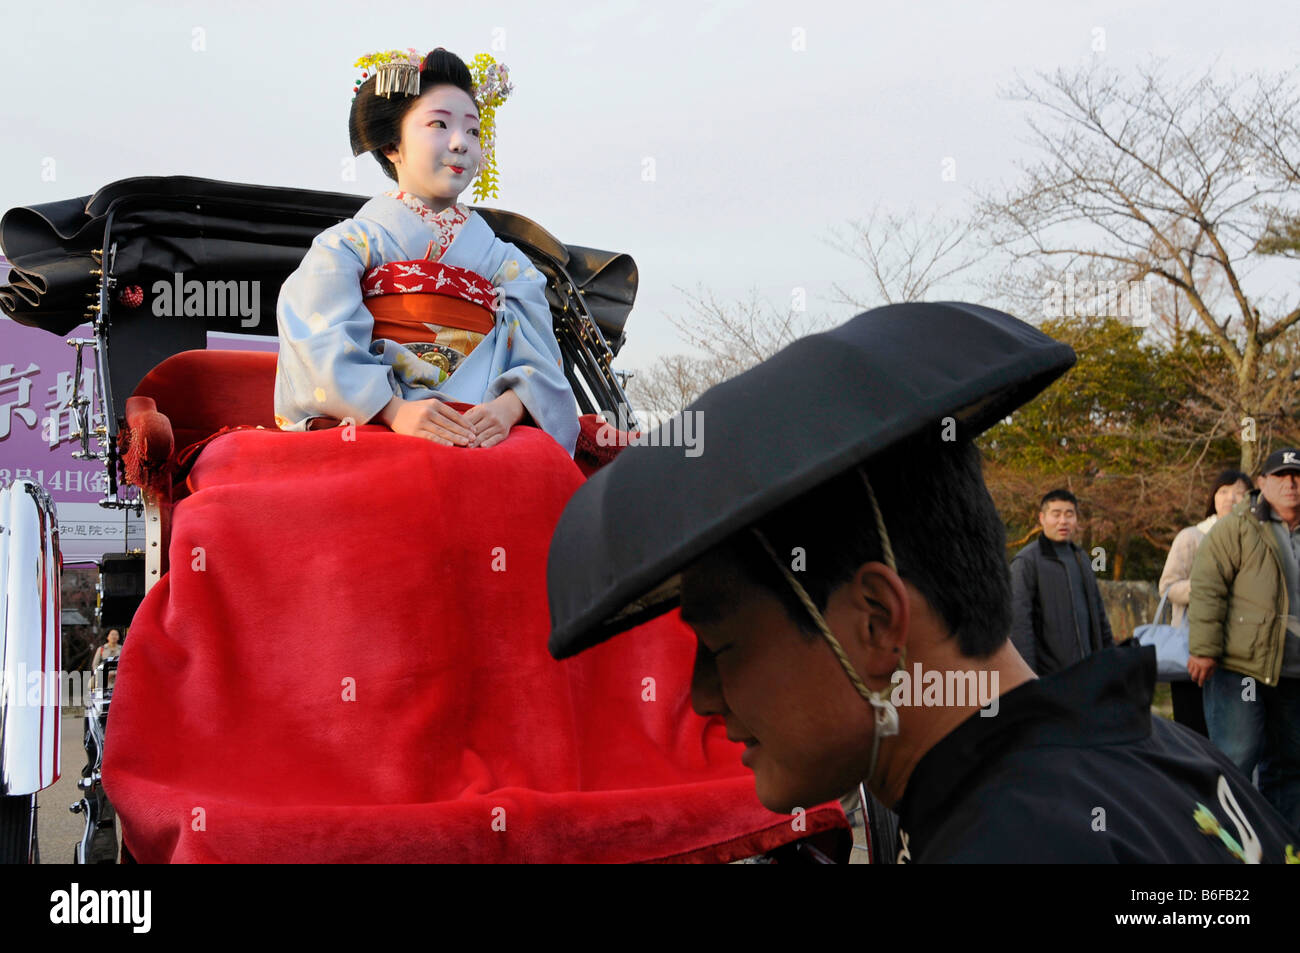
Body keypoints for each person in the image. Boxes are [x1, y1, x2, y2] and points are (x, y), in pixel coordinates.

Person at [547, 302, 1300, 862]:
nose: (703, 696)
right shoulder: (1175, 755)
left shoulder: (1009, 844)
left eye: (720, 644)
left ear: (875, 620)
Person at [274, 47, 578, 455]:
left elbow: (542, 361)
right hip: (379, 425)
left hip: (485, 431)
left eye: (473, 131)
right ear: (391, 146)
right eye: (439, 124)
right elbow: (318, 340)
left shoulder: (507, 264)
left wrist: (508, 409)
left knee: (540, 476)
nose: (462, 143)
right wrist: (394, 410)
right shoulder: (347, 245)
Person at [1189, 448, 1300, 829]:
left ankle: (1282, 845)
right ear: (1263, 483)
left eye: (1297, 476)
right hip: (1240, 667)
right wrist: (1203, 649)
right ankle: (1220, 842)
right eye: (1281, 475)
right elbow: (1207, 585)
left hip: (1294, 671)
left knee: (1290, 763)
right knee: (1235, 757)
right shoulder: (1238, 525)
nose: (1291, 483)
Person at [1158, 469, 1252, 735]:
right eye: (1223, 491)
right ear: (1213, 497)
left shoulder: (1255, 538)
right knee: (1192, 729)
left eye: (1238, 492)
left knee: (1233, 733)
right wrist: (1210, 589)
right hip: (1192, 647)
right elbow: (1167, 586)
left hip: (1239, 651)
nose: (1230, 498)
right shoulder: (1192, 536)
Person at [1008, 489, 1115, 676]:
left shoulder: (1081, 558)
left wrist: (1110, 661)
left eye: (1069, 514)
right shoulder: (1027, 562)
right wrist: (1028, 678)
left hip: (1088, 672)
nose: (1063, 521)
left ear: (1076, 520)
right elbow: (1019, 625)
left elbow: (1099, 617)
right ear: (1042, 518)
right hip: (1049, 677)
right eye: (1056, 514)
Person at [87, 629, 122, 694]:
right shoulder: (101, 649)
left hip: (118, 680)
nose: (114, 636)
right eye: (112, 634)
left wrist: (115, 673)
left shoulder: (123, 649)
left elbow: (126, 665)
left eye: (116, 634)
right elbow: (95, 664)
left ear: (119, 637)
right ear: (107, 637)